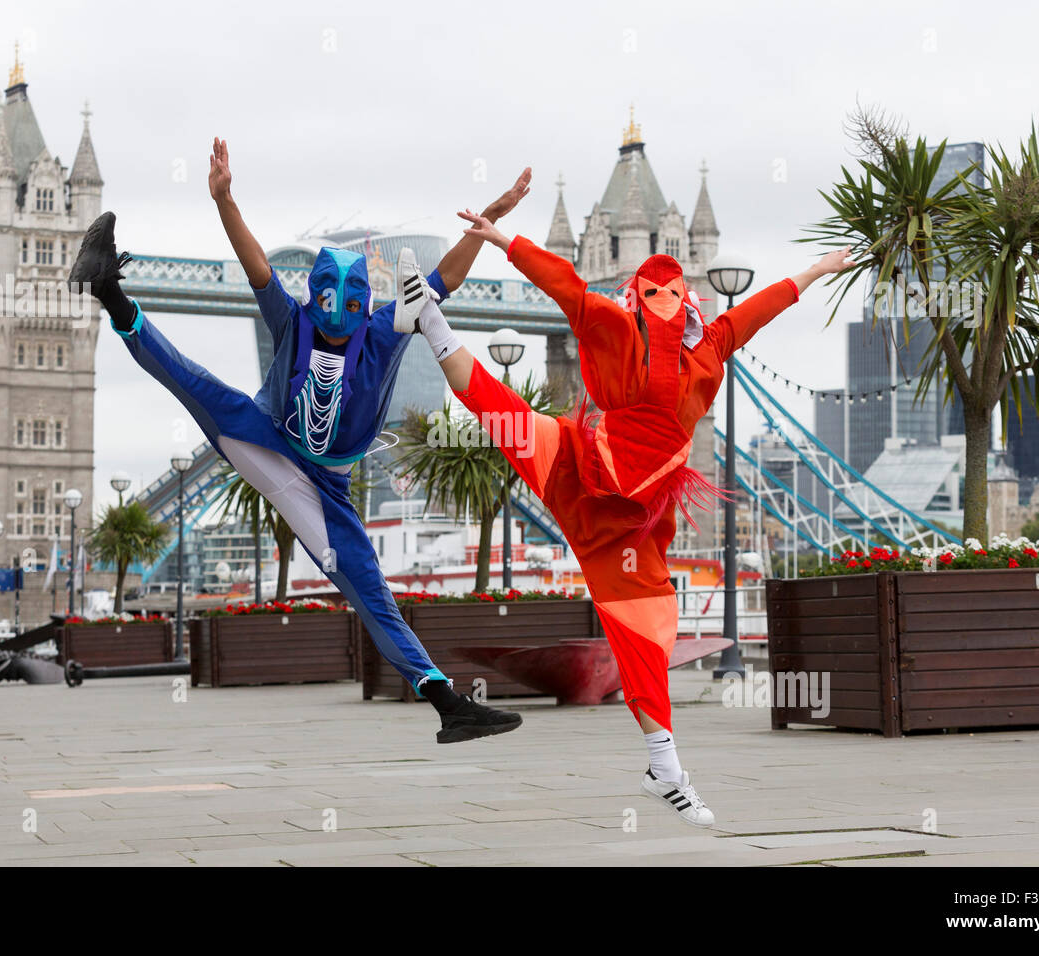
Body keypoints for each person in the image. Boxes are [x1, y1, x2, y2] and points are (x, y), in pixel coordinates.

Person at [69, 138, 534, 744]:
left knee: (366, 584)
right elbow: (256, 264)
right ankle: (109, 290)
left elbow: (444, 277)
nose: (336, 321)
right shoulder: (299, 321)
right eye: (327, 305)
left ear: (364, 302)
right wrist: (225, 201)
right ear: (315, 298)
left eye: (348, 307)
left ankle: (446, 704)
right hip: (272, 439)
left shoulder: (384, 330)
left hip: (328, 484)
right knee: (194, 382)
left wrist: (491, 218)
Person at [404, 204, 853, 820]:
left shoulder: (696, 343)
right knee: (497, 410)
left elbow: (758, 308)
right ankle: (426, 316)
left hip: (622, 514)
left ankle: (664, 768)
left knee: (647, 637)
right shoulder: (640, 334)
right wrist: (504, 238)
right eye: (659, 296)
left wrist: (818, 269)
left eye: (675, 296)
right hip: (584, 468)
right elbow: (566, 283)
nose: (669, 306)